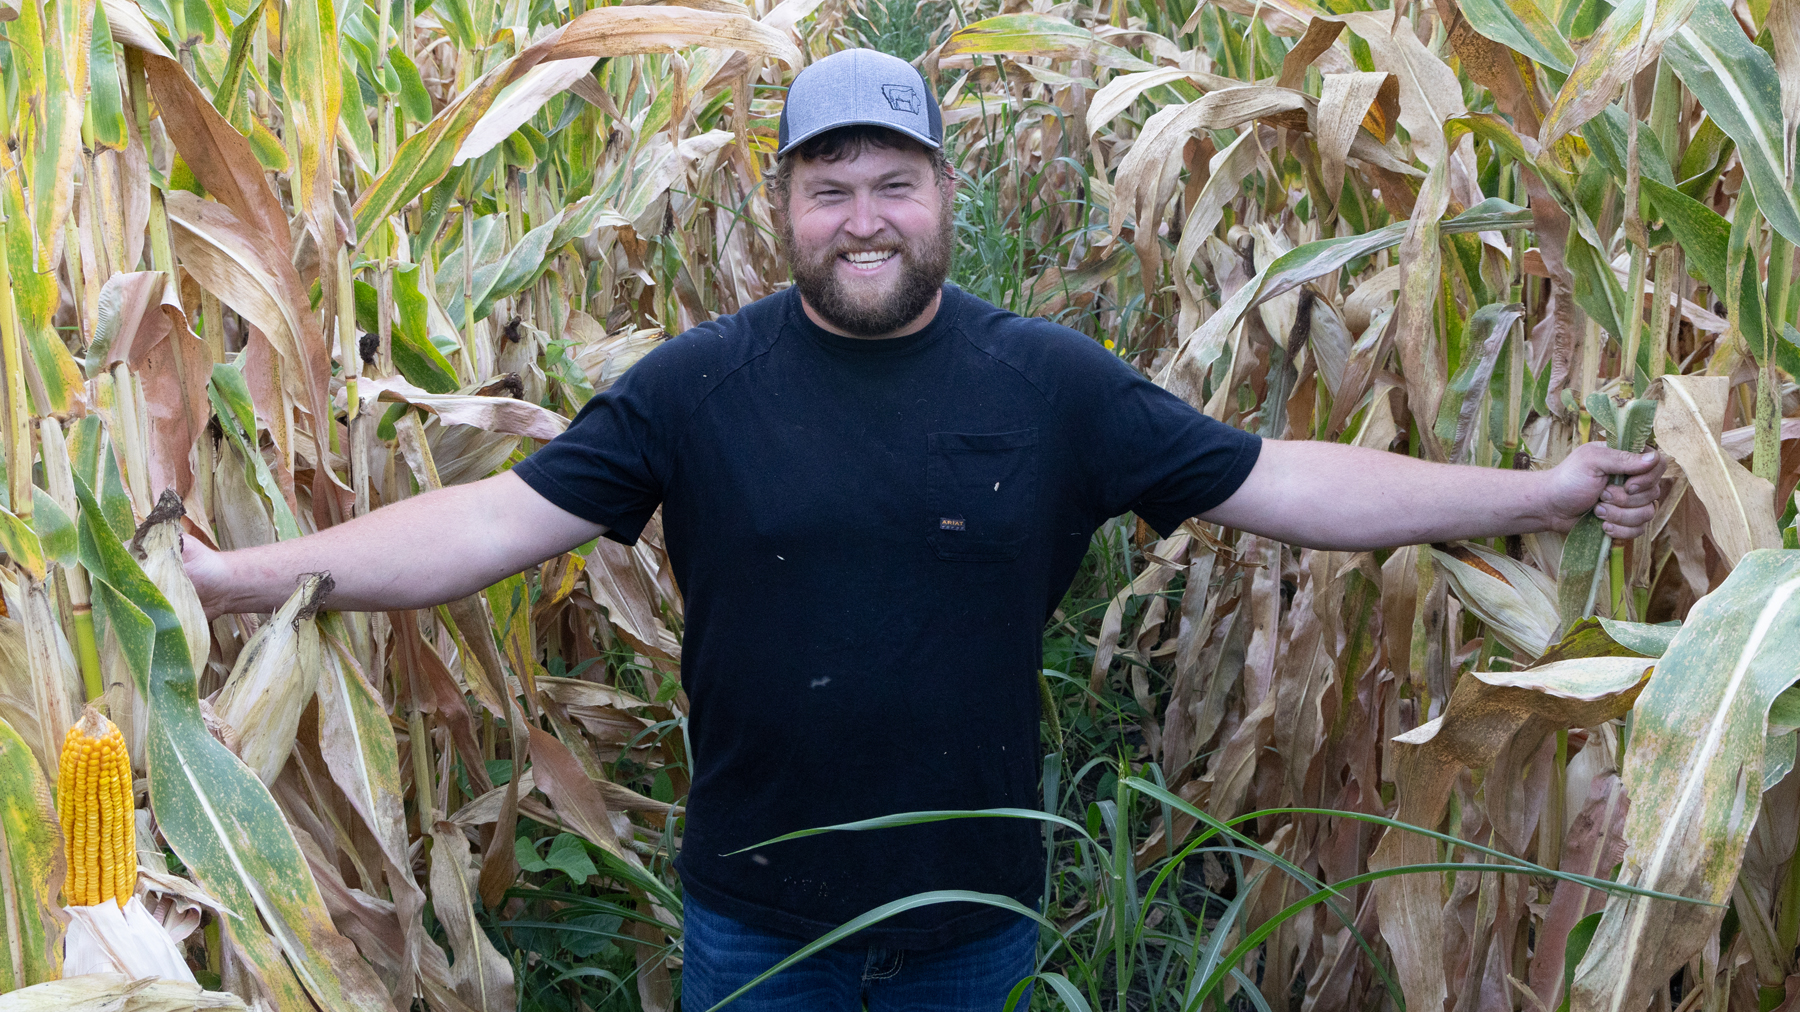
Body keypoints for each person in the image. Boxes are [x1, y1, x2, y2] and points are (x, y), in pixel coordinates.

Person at [184, 47, 1668, 1012]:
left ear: (945, 195)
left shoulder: (1049, 384)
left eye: (893, 182)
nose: (863, 217)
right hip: (758, 927)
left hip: (974, 922)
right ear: (781, 206)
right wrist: (233, 581)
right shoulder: (697, 389)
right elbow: (488, 523)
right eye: (829, 189)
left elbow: (1284, 480)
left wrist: (1534, 493)